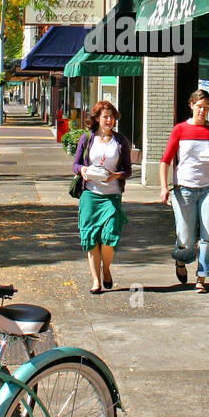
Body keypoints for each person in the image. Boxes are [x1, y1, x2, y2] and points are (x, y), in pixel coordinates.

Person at [159, 89, 209, 293]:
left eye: (206, 108)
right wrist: (164, 187)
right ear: (191, 105)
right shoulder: (180, 129)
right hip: (184, 188)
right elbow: (165, 160)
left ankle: (202, 278)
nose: (203, 111)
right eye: (200, 107)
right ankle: (181, 261)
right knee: (186, 238)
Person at [73, 100, 133, 294]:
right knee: (91, 238)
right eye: (105, 117)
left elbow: (128, 170)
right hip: (90, 194)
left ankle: (106, 268)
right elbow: (75, 164)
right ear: (97, 119)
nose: (109, 120)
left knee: (109, 238)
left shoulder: (121, 141)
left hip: (112, 195)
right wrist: (82, 169)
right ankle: (96, 281)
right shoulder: (87, 138)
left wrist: (116, 175)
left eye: (112, 117)